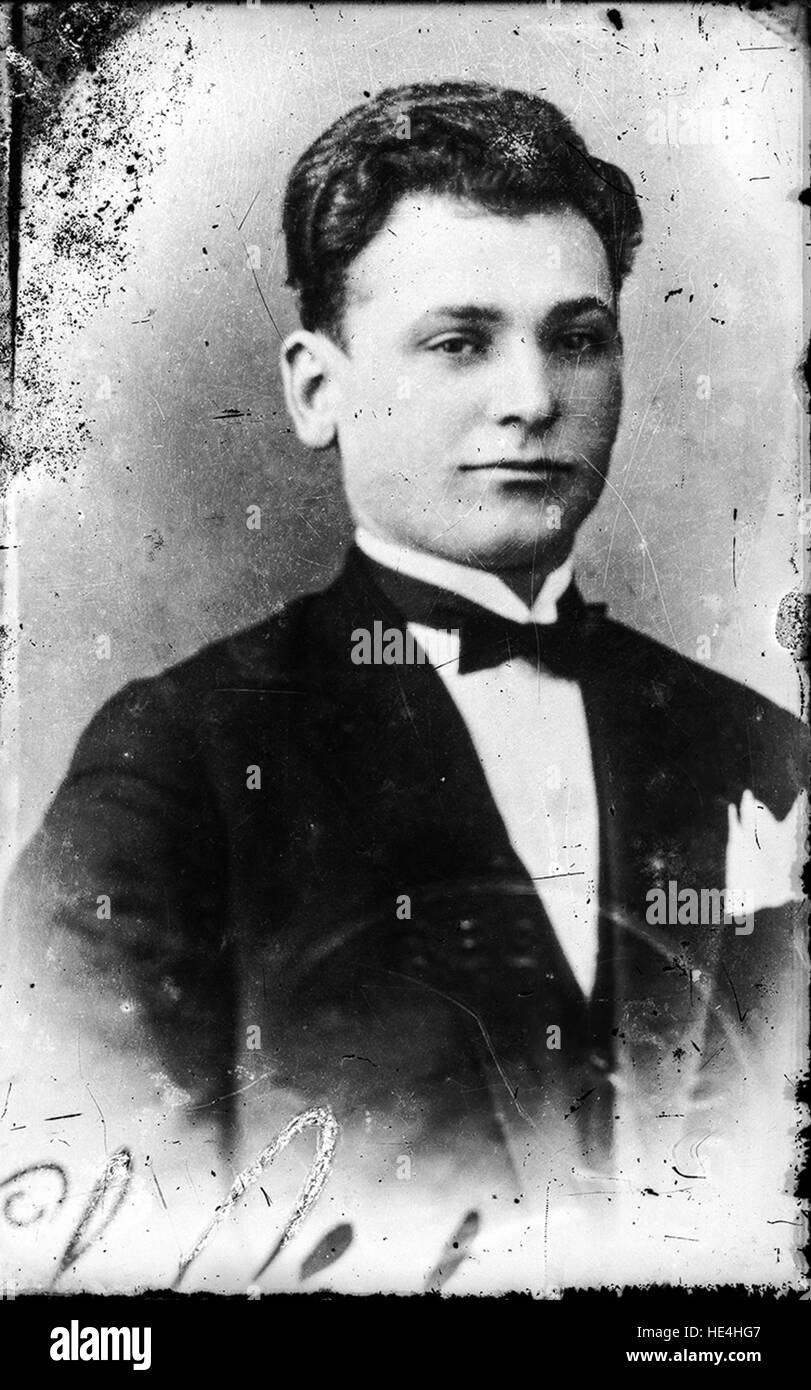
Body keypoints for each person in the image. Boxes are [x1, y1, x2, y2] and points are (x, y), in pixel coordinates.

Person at [3, 82, 807, 1234]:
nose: (532, 399)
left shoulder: (759, 744)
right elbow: (97, 1225)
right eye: (459, 342)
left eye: (576, 339)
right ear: (316, 389)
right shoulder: (178, 761)